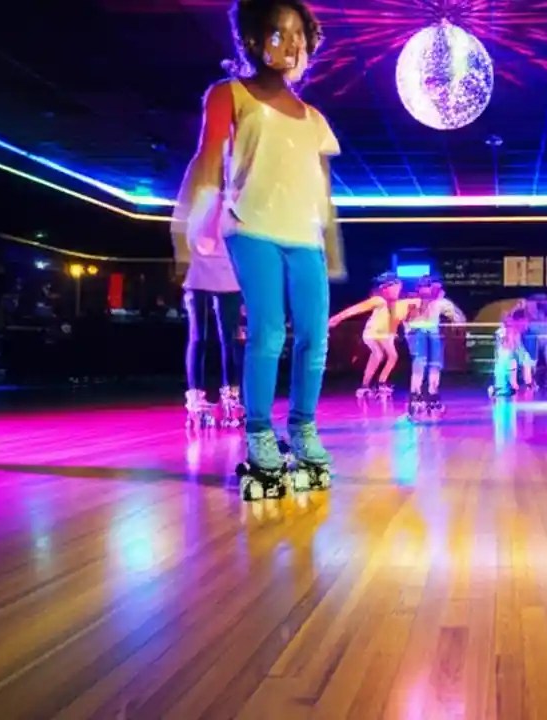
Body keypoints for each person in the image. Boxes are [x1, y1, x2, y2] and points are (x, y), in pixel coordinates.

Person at [171, 0, 342, 495]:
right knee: (268, 332)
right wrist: (198, 219)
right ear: (251, 41)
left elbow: (322, 189)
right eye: (278, 34)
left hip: (303, 236)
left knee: (315, 337)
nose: (291, 46)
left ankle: (303, 427)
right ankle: (260, 433)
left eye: (299, 37)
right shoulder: (229, 94)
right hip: (251, 228)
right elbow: (208, 160)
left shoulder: (313, 118)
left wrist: (330, 246)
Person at [175, 228, 245, 429]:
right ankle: (201, 402)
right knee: (203, 338)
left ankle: (226, 400)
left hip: (225, 277)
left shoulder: (230, 199)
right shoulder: (200, 198)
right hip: (206, 274)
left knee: (225, 340)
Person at [329, 273, 407, 398]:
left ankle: (373, 384)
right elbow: (356, 309)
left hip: (385, 334)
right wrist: (338, 318)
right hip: (374, 333)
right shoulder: (379, 300)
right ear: (385, 288)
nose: (397, 291)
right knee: (386, 355)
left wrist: (393, 332)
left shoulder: (396, 304)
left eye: (399, 288)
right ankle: (373, 384)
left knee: (385, 356)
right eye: (394, 288)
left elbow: (394, 320)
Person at [402, 276, 466, 415]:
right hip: (419, 333)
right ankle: (417, 394)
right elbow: (404, 319)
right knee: (421, 363)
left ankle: (430, 394)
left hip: (430, 333)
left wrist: (457, 322)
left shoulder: (439, 302)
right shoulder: (413, 302)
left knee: (434, 364)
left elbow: (457, 316)